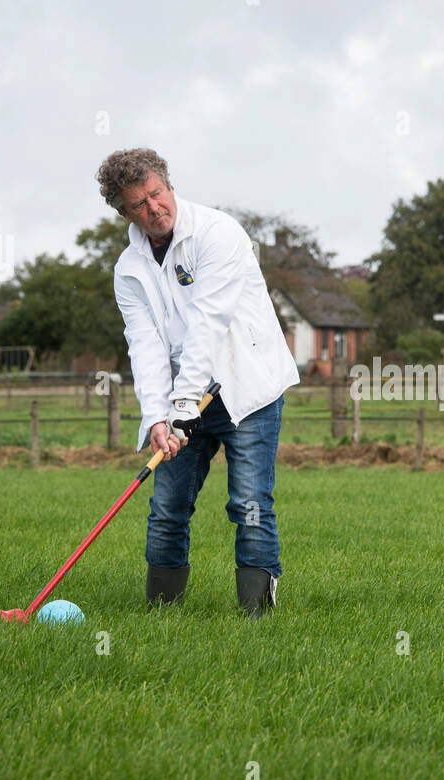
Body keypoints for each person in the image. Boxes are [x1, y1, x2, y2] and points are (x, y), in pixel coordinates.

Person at [95, 148, 299, 618]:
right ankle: (162, 616)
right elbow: (144, 346)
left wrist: (185, 403)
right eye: (138, 204)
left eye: (157, 194)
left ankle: (258, 616)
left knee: (249, 502)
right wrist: (158, 418)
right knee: (167, 506)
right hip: (183, 403)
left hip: (246, 389)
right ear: (123, 212)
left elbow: (209, 322)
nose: (154, 209)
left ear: (168, 184)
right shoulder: (128, 269)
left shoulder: (218, 233)